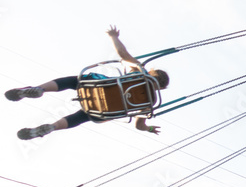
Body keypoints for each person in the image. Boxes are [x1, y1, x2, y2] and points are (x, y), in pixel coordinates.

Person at [7, 26, 169, 140]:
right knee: (82, 116)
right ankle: (53, 127)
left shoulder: (140, 72)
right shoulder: (150, 103)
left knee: (74, 82)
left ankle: (40, 89)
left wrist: (114, 36)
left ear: (153, 73)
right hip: (103, 111)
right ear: (160, 88)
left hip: (96, 87)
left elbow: (122, 53)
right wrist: (148, 129)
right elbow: (139, 125)